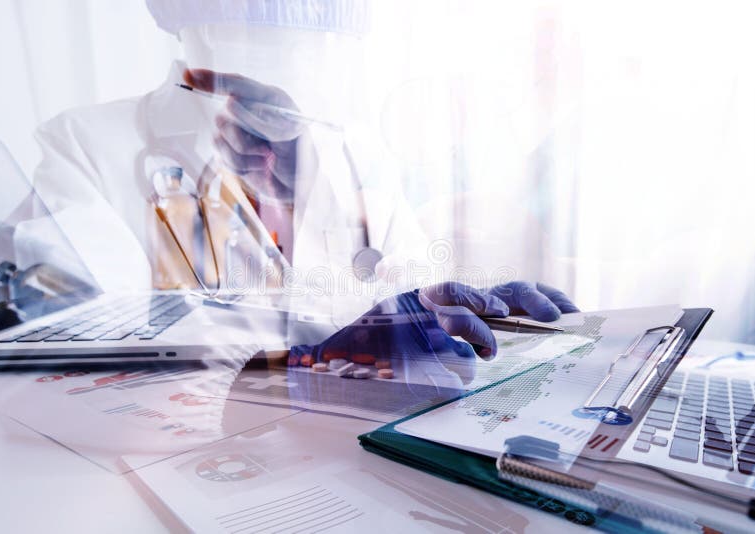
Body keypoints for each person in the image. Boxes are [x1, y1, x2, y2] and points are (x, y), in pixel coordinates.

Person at [32, 0, 578, 360]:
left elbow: (402, 294)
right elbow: (67, 348)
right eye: (267, 28)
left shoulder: (354, 151)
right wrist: (311, 357)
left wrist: (462, 311)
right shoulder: (89, 146)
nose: (296, 50)